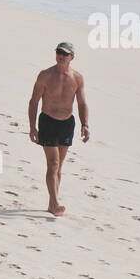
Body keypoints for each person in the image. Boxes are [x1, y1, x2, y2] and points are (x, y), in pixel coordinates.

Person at [28, 42, 89, 216]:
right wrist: (32, 127)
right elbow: (34, 101)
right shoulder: (45, 75)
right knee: (53, 163)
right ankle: (55, 203)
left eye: (65, 53)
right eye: (59, 52)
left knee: (58, 167)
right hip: (48, 121)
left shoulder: (77, 78)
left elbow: (82, 103)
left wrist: (85, 124)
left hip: (67, 124)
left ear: (72, 57)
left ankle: (51, 203)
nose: (61, 56)